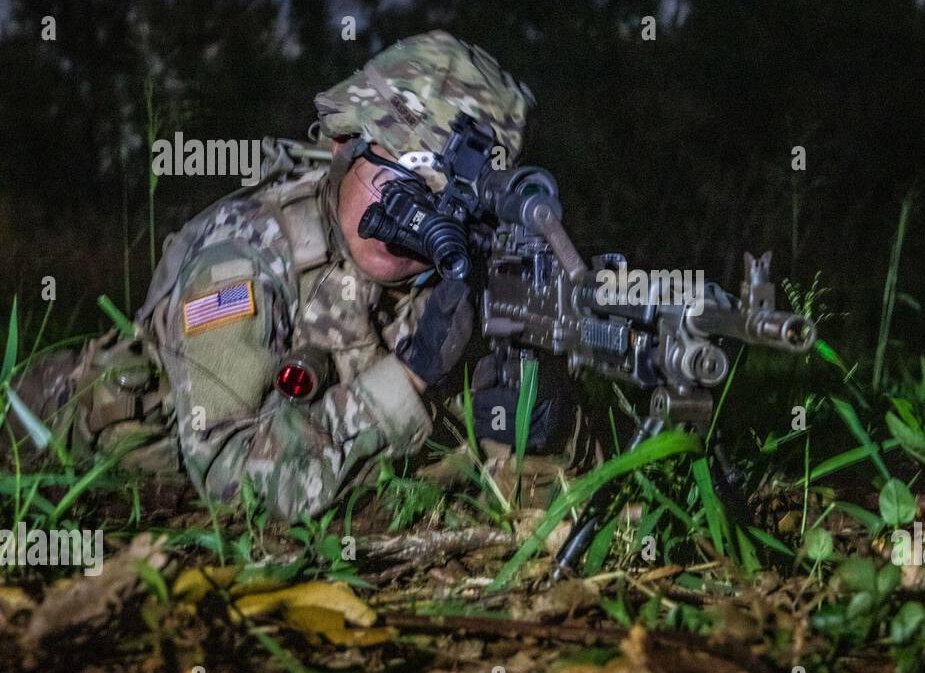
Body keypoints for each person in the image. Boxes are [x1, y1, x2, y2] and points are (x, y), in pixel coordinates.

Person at [11, 31, 582, 519]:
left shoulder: (464, 269)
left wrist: (542, 403)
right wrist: (412, 376)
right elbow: (231, 476)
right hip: (39, 431)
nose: (426, 223)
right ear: (342, 144)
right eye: (405, 180)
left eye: (452, 203)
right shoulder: (245, 255)